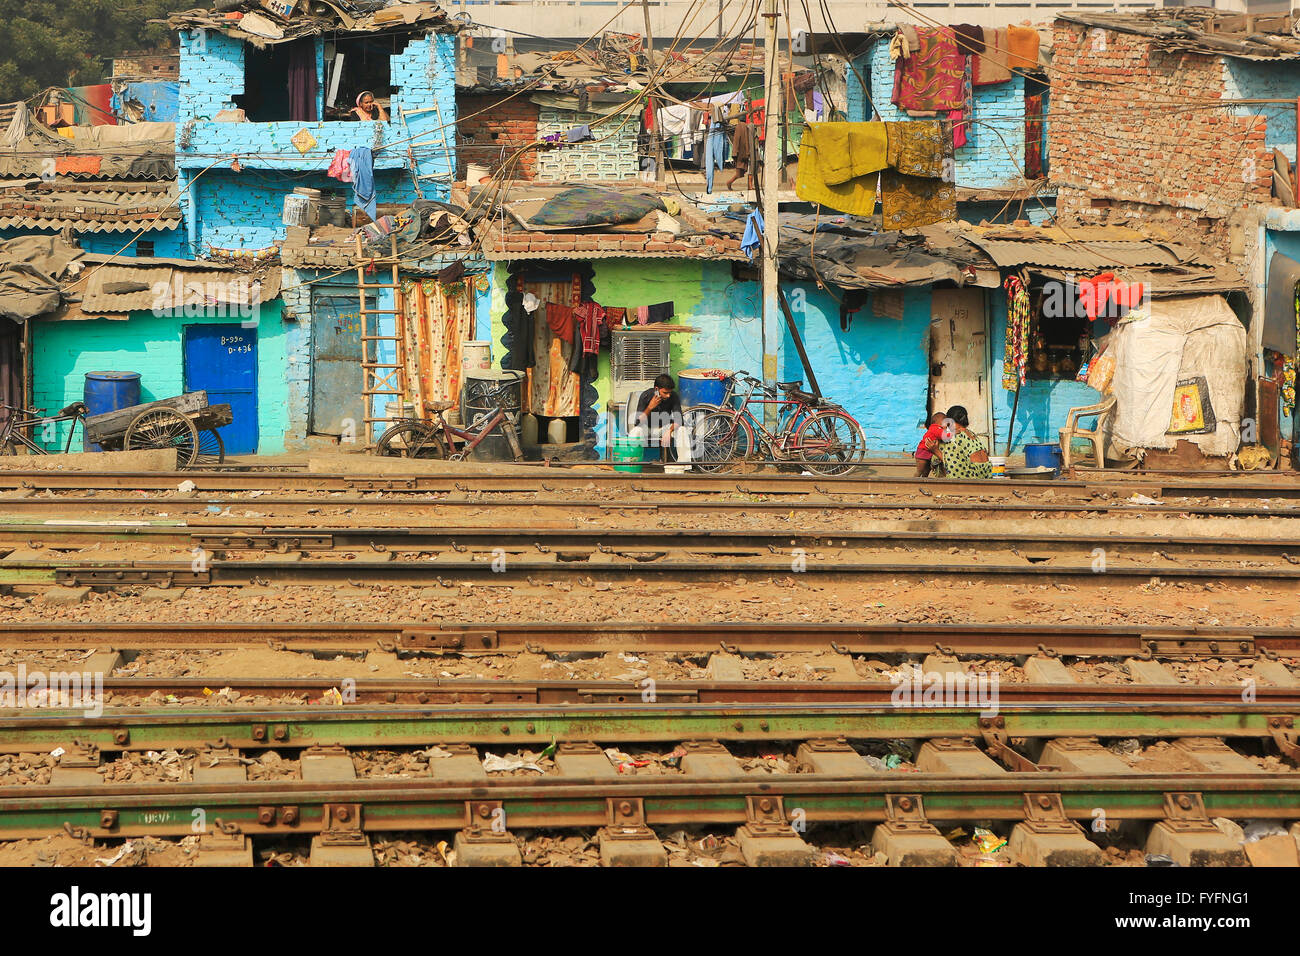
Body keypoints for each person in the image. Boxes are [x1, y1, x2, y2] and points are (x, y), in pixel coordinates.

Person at [630, 373, 692, 464]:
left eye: (670, 392)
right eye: (665, 393)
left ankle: (684, 466)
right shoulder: (646, 396)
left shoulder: (673, 397)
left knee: (682, 430)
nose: (668, 396)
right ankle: (632, 464)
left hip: (665, 428)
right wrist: (650, 407)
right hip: (647, 428)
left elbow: (679, 420)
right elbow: (637, 422)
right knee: (635, 432)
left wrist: (669, 431)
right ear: (656, 389)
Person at [932, 405, 991, 479]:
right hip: (986, 475)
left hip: (973, 478)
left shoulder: (955, 437)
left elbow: (952, 465)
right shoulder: (972, 434)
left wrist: (935, 451)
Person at [914, 411, 946, 477]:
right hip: (923, 452)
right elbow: (943, 436)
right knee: (920, 471)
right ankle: (913, 482)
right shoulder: (935, 428)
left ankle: (923, 483)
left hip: (928, 452)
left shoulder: (935, 428)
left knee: (926, 471)